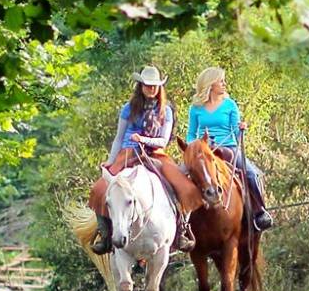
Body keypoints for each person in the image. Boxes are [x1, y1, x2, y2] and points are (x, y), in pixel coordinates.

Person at [104, 64, 194, 252]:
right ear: (141, 86)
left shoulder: (166, 110)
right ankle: (104, 233)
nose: (151, 89)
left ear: (160, 87)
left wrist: (143, 139)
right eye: (147, 85)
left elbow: (162, 140)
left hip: (154, 152)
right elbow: (119, 138)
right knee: (101, 189)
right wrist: (111, 161)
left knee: (184, 186)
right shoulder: (128, 109)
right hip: (129, 152)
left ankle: (182, 231)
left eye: (154, 85)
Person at [185, 66, 273, 232]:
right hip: (203, 151)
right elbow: (191, 134)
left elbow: (235, 131)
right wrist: (196, 145)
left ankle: (259, 212)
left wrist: (241, 128)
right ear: (210, 84)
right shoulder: (195, 108)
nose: (224, 84)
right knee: (179, 175)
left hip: (228, 148)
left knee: (251, 173)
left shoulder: (230, 105)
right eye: (221, 81)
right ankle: (180, 223)